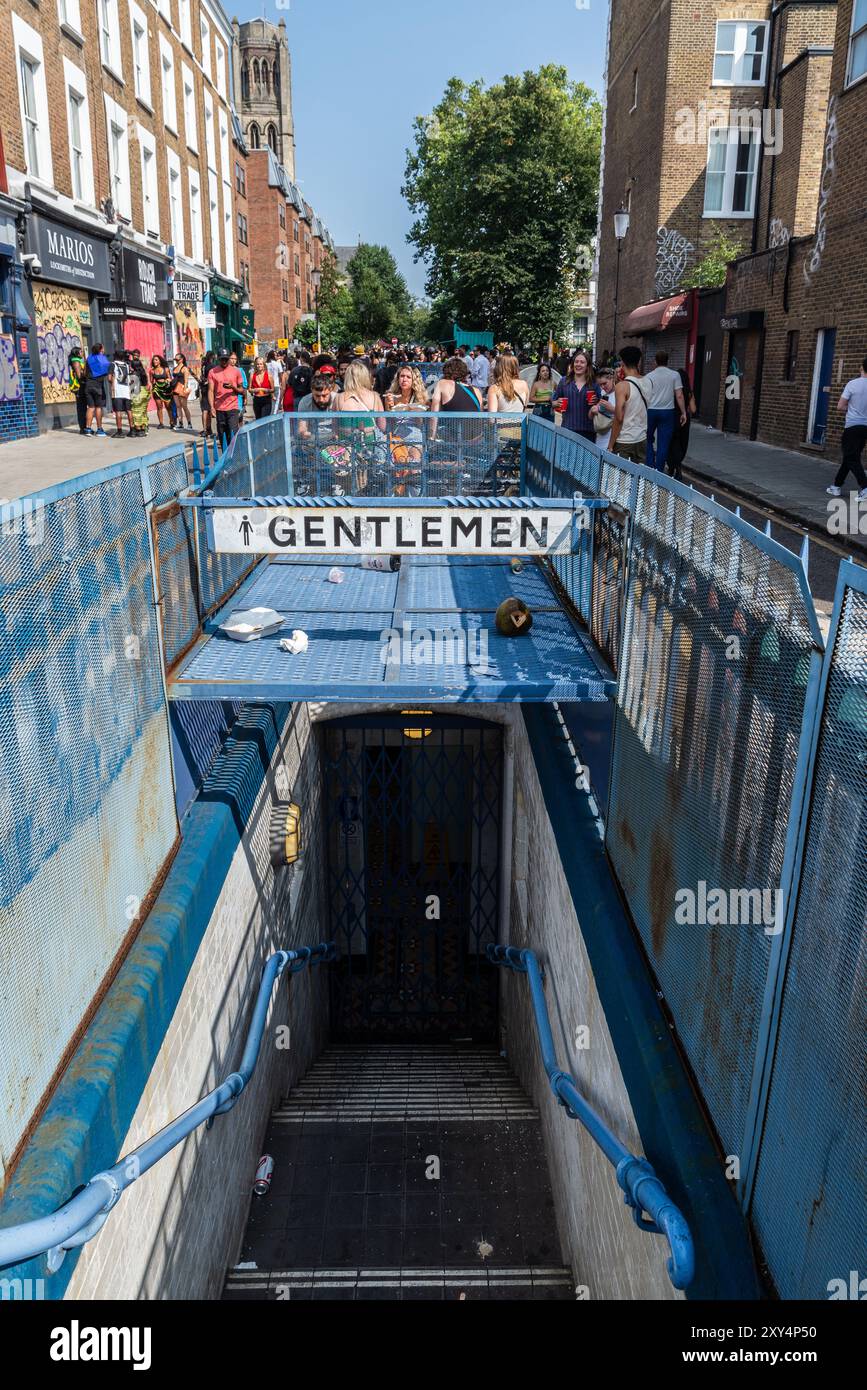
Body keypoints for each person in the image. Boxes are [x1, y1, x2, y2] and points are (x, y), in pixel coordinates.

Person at [827, 355, 867, 499]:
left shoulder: (853, 384)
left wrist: (851, 409)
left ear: (862, 367)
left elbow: (840, 406)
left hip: (852, 426)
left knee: (851, 458)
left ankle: (865, 487)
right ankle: (836, 486)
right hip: (865, 428)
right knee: (850, 456)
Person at [643, 350, 686, 471]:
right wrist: (683, 412)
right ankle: (659, 470)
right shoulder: (674, 375)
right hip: (667, 412)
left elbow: (645, 396)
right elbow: (679, 395)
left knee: (647, 439)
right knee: (663, 443)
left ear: (655, 361)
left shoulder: (648, 376)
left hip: (650, 411)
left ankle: (649, 466)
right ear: (668, 361)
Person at [607, 346, 651, 462]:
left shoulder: (622, 386)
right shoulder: (648, 381)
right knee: (639, 473)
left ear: (622, 363)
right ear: (639, 361)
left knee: (620, 474)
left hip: (624, 442)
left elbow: (619, 418)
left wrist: (610, 445)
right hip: (642, 439)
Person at [552, 350, 596, 440]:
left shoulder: (593, 383)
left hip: (588, 431)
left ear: (587, 366)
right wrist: (556, 403)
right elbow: (553, 402)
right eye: (576, 362)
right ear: (572, 364)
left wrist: (596, 403)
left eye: (582, 362)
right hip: (568, 429)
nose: (578, 364)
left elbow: (601, 404)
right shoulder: (564, 381)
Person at [208, 348, 246, 449]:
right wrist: (211, 407)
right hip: (219, 408)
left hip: (233, 407)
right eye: (222, 359)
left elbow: (242, 390)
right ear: (218, 359)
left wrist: (233, 387)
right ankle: (225, 456)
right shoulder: (212, 372)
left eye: (226, 359)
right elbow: (210, 391)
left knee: (232, 433)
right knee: (222, 435)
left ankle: (234, 454)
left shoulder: (236, 371)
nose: (224, 361)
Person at [665, 367, 696, 480]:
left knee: (672, 443)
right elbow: (693, 409)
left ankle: (673, 467)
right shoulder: (689, 393)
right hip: (685, 420)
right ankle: (677, 468)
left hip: (673, 417)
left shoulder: (672, 390)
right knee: (681, 444)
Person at [83, 342, 111, 435]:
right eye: (103, 348)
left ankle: (88, 429)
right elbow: (108, 370)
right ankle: (99, 429)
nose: (104, 350)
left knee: (90, 407)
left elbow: (85, 372)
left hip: (88, 384)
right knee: (98, 407)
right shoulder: (102, 359)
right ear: (100, 349)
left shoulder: (89, 358)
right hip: (98, 386)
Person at [588, 365, 617, 450]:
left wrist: (611, 408)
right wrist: (592, 410)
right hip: (600, 438)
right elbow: (590, 416)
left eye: (605, 383)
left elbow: (625, 415)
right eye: (600, 385)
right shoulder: (603, 393)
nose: (602, 387)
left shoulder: (619, 394)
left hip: (612, 439)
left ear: (612, 379)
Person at [109, 348, 133, 437]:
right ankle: (132, 430)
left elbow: (109, 378)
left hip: (117, 392)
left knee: (118, 411)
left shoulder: (113, 364)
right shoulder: (126, 365)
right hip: (126, 391)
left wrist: (112, 383)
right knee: (129, 411)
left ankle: (119, 431)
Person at [129, 349, 150, 436]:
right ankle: (143, 428)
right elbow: (146, 382)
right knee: (143, 411)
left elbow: (132, 385)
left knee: (136, 411)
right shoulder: (143, 371)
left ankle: (138, 429)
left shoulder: (133, 374)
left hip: (136, 392)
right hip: (144, 392)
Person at [171, 352, 194, 431]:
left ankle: (189, 424)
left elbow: (186, 380)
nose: (176, 361)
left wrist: (185, 389)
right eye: (175, 359)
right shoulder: (175, 368)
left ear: (182, 359)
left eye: (177, 359)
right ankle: (180, 423)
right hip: (175, 389)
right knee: (178, 406)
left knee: (184, 406)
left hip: (182, 388)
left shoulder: (185, 368)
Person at [149, 354, 173, 428]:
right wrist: (150, 392)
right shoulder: (152, 371)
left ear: (160, 361)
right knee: (159, 407)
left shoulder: (166, 369)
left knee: (168, 406)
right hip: (157, 389)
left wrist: (167, 380)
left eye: (156, 360)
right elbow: (151, 382)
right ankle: (161, 423)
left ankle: (172, 422)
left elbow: (170, 378)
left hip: (166, 389)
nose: (154, 361)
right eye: (153, 360)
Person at [68, 348, 88, 433]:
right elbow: (79, 375)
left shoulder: (79, 360)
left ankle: (84, 427)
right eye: (81, 351)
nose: (82, 353)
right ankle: (83, 428)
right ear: (76, 353)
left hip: (81, 385)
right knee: (81, 407)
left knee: (83, 407)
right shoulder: (75, 361)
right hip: (79, 386)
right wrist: (86, 372)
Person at [199, 350, 216, 437]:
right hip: (210, 389)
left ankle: (207, 429)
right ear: (212, 357)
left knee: (206, 409)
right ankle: (206, 429)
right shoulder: (212, 366)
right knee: (207, 410)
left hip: (203, 388)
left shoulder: (204, 365)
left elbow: (201, 377)